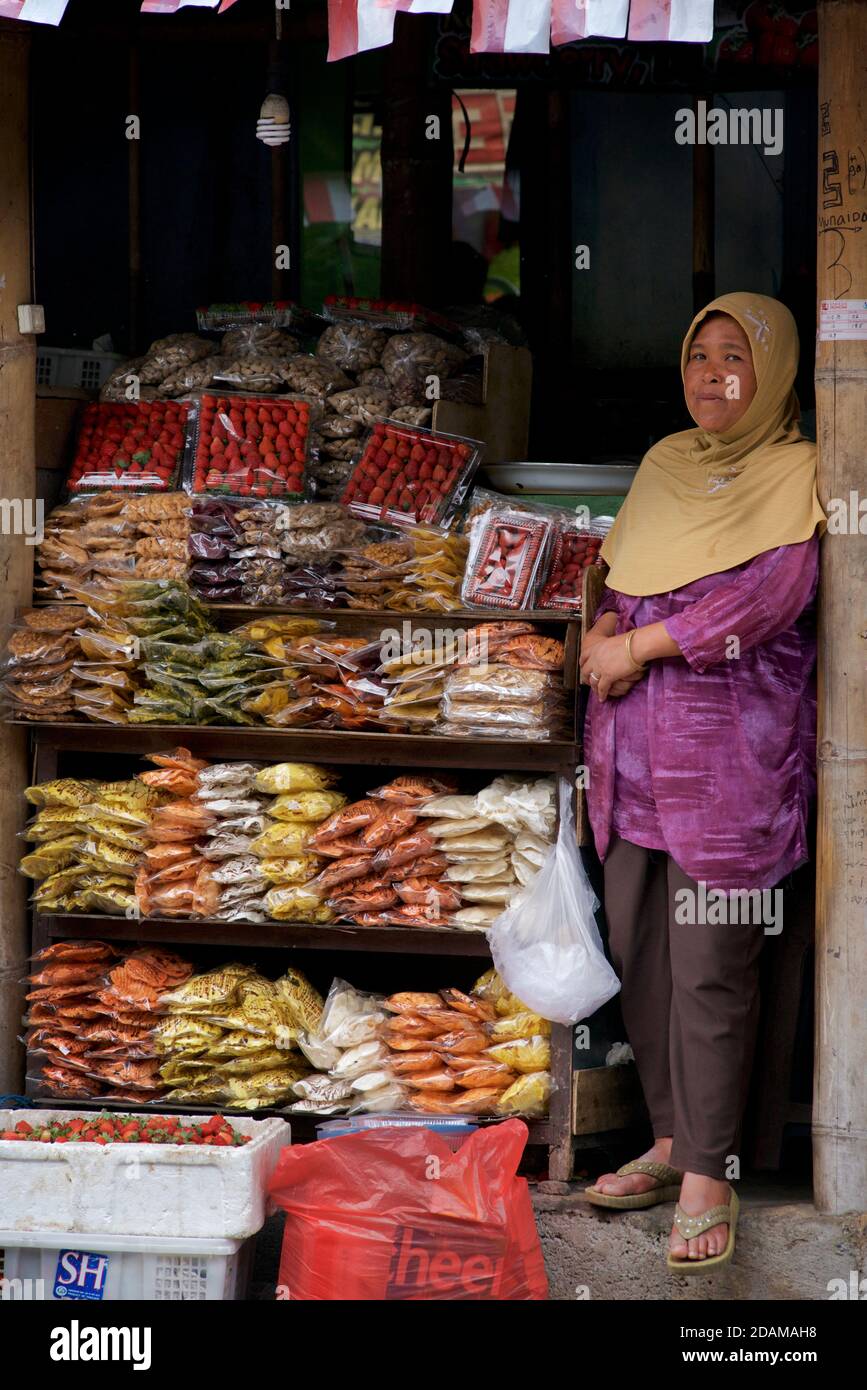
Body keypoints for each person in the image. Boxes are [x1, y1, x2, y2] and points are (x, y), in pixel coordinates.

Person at [580, 293, 825, 1273]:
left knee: (713, 970)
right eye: (699, 357)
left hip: (729, 774)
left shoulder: (800, 471)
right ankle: (674, 1137)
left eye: (735, 358)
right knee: (641, 959)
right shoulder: (665, 464)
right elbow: (615, 570)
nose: (712, 375)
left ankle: (710, 1174)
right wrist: (599, 632)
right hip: (630, 765)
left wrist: (639, 642)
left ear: (773, 372)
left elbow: (770, 600)